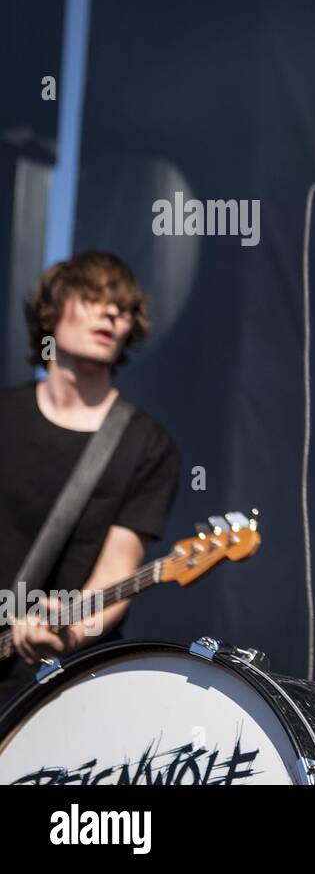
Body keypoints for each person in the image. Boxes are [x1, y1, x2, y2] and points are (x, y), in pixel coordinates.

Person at [0, 251, 180, 706]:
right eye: (94, 297)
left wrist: (72, 631)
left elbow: (118, 570)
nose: (112, 312)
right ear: (50, 312)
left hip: (60, 695)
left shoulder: (146, 445)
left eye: (122, 307)